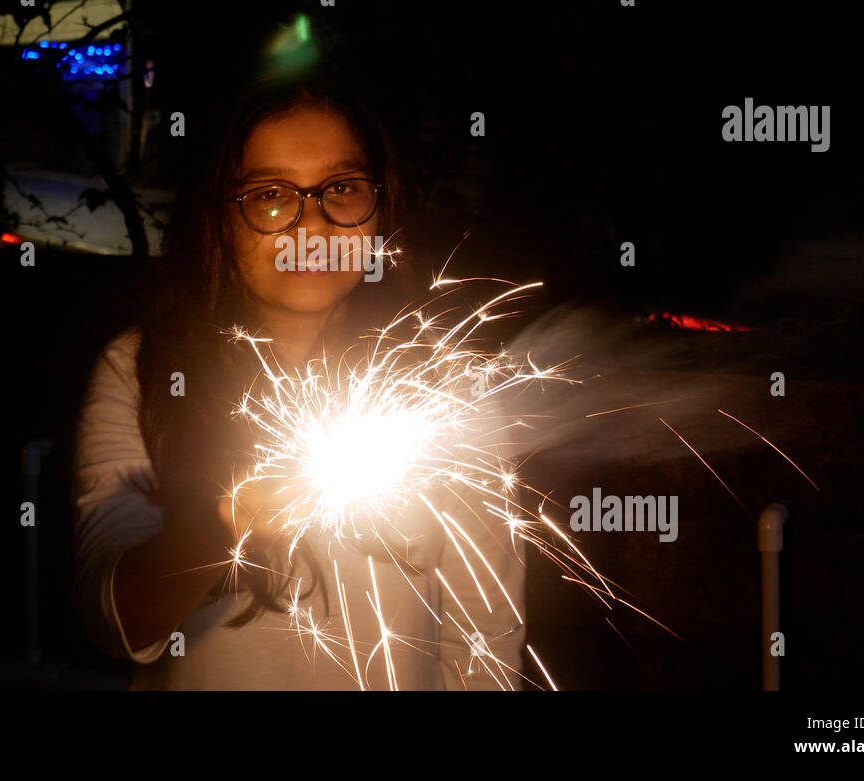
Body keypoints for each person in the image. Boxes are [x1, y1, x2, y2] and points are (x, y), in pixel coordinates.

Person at [71, 70, 525, 689]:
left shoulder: (449, 387)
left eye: (340, 187)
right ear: (218, 220)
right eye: (271, 194)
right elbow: (115, 620)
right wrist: (230, 519)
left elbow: (486, 639)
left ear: (379, 206)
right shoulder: (141, 370)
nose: (313, 227)